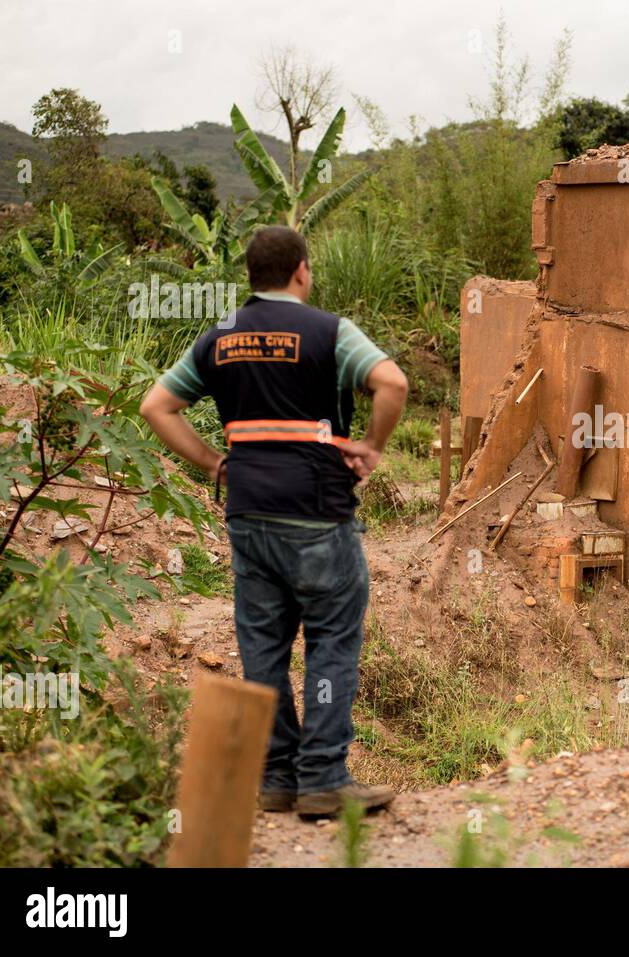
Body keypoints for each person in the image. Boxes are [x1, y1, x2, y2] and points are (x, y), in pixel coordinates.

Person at [141, 225, 408, 817]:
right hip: (316, 512)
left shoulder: (219, 338)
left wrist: (214, 461)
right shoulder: (329, 332)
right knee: (331, 640)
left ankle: (277, 779)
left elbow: (155, 406)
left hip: (248, 514)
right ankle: (323, 778)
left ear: (250, 276)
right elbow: (391, 382)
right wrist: (372, 444)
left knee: (263, 646)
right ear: (301, 271)